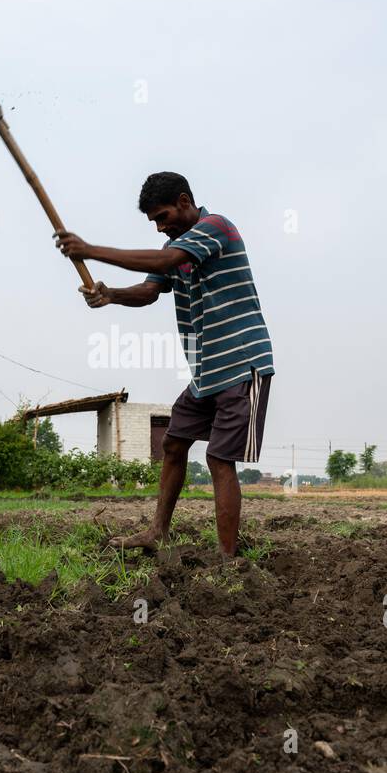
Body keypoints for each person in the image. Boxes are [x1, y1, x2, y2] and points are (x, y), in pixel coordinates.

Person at [54, 172, 274, 560]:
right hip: (206, 373)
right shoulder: (174, 245)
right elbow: (149, 291)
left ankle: (227, 560)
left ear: (185, 201)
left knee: (219, 458)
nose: (161, 226)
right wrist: (111, 295)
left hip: (243, 364)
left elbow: (171, 259)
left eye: (163, 216)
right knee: (173, 442)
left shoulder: (215, 228)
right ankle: (157, 532)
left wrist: (90, 250)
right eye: (154, 221)